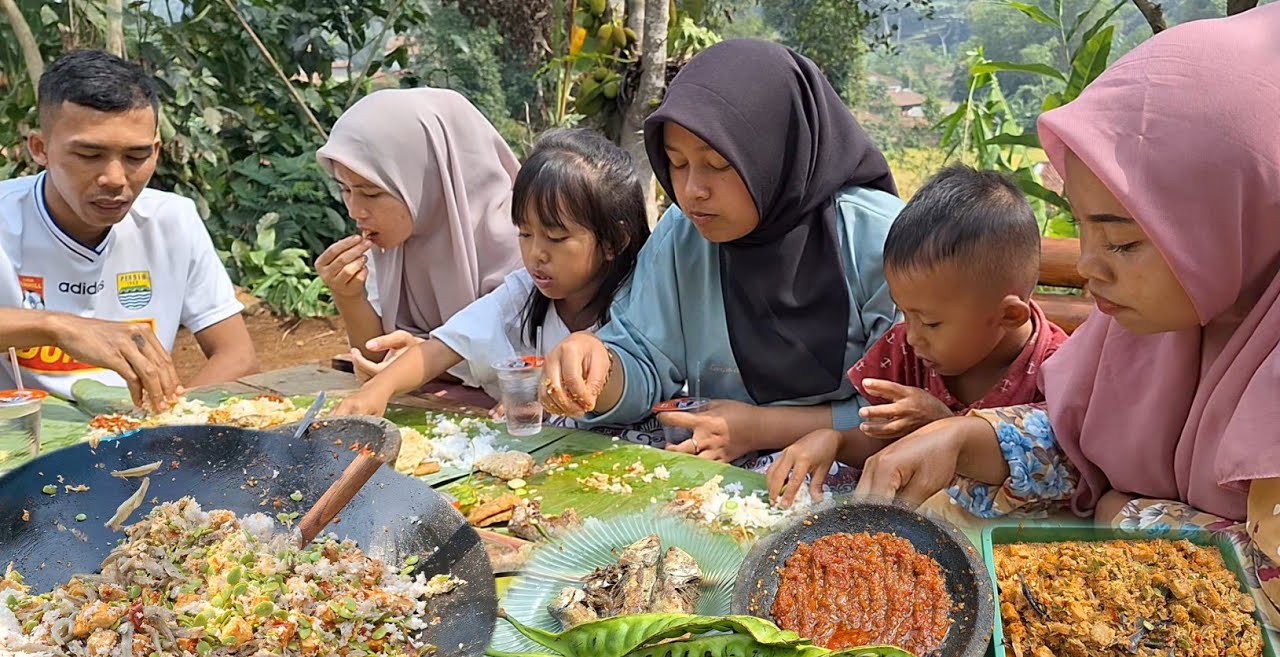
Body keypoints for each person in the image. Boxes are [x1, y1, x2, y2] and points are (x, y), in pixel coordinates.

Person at [854, 6, 1280, 622]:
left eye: (1124, 243)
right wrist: (964, 437)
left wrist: (1122, 511)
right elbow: (1077, 438)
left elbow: (1263, 590)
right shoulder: (1151, 329)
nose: (1087, 266)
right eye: (1082, 230)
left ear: (1238, 219)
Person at [540, 39, 902, 464]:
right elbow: (643, 357)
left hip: (846, 463)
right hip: (719, 465)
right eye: (677, 163)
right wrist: (597, 367)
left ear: (774, 152)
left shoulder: (876, 237)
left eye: (718, 165)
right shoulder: (684, 235)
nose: (693, 191)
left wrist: (757, 428)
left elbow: (901, 412)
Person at [768, 166, 1068, 505]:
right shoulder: (904, 350)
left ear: (1008, 316)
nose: (911, 336)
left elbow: (1060, 481)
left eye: (930, 323)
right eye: (904, 312)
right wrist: (835, 441)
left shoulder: (1060, 375)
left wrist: (944, 425)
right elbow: (882, 442)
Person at [0, 50, 256, 410]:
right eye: (89, 155)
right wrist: (57, 326)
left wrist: (173, 423)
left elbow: (237, 354)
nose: (115, 180)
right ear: (40, 149)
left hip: (134, 436)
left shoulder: (173, 221)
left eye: (136, 157)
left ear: (156, 151)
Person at [331, 129, 648, 417]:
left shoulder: (643, 302)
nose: (536, 253)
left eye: (556, 238)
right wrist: (377, 391)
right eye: (524, 234)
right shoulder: (522, 292)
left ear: (613, 242)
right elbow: (441, 347)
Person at [314, 88, 522, 380]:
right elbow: (376, 358)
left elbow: (530, 365)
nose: (355, 211)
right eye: (345, 189)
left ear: (428, 180)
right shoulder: (396, 243)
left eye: (371, 193)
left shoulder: (525, 241)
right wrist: (349, 297)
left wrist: (427, 358)